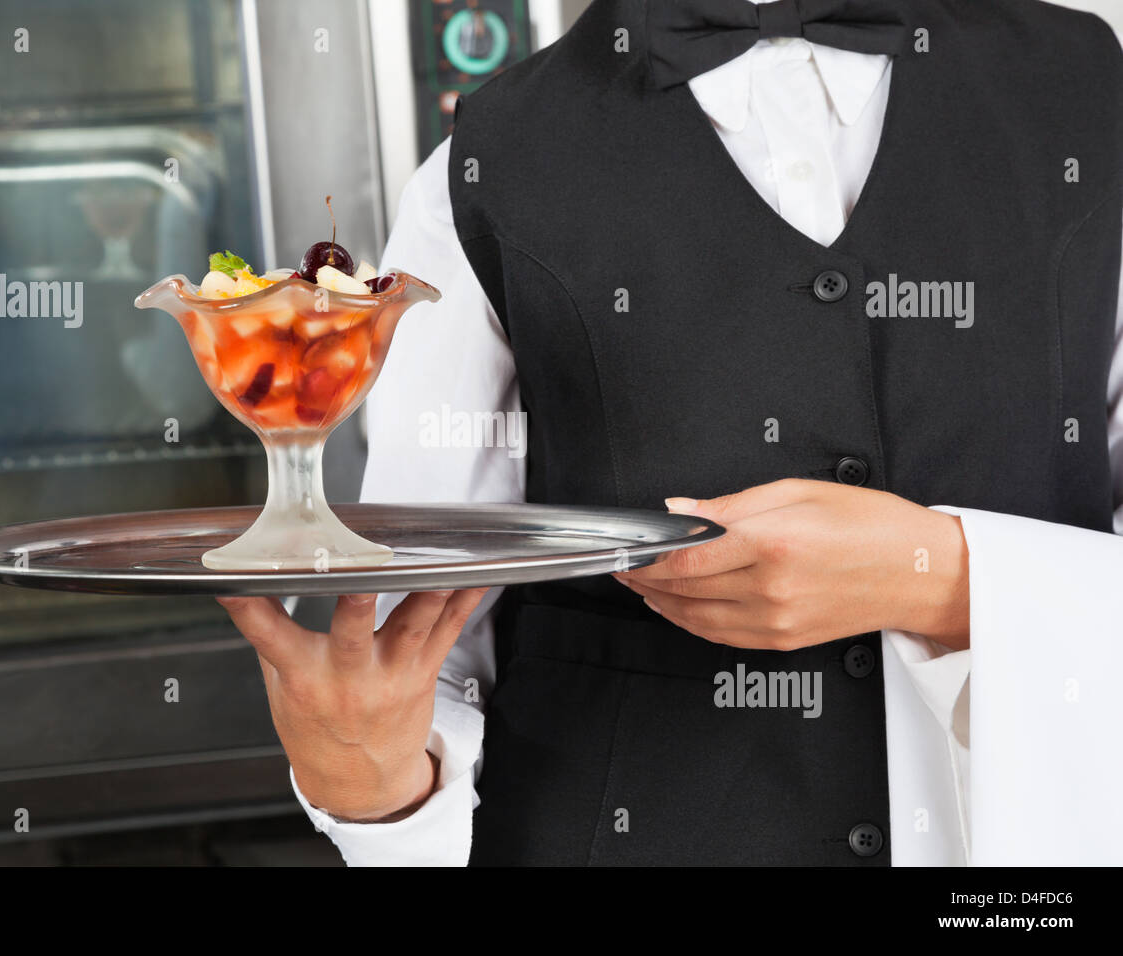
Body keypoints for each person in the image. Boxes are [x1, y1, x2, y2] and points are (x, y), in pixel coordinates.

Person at [219, 0, 1123, 865]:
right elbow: (431, 630)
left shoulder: (1090, 91)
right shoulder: (483, 169)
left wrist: (946, 578)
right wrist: (377, 789)